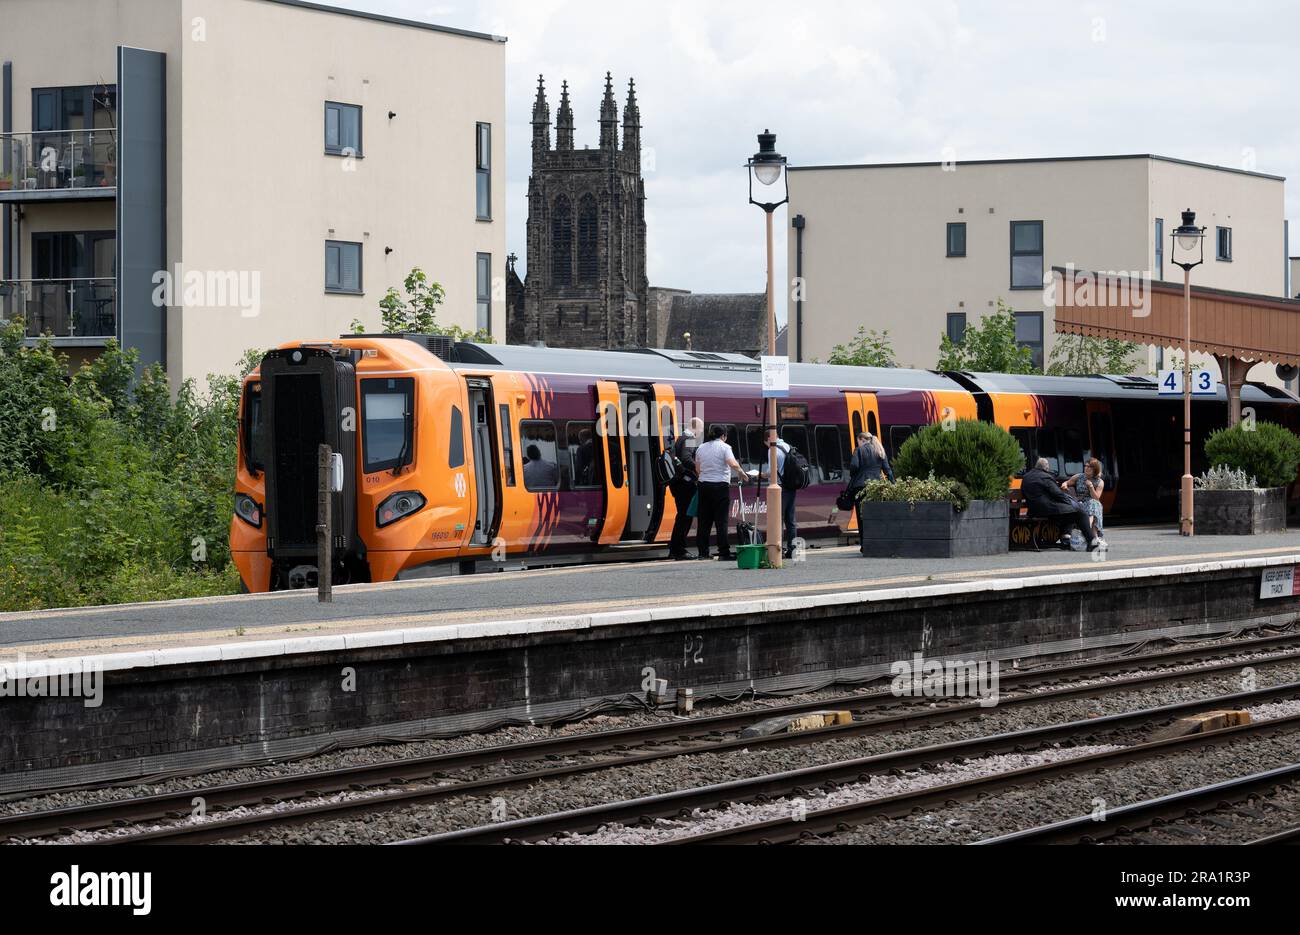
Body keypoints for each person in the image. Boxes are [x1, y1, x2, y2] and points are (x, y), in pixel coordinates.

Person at [1021, 457, 1099, 551]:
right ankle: (1091, 542)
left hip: (1033, 510)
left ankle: (1066, 536)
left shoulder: (1026, 476)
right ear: (1046, 468)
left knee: (1071, 511)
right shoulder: (1045, 477)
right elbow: (1057, 494)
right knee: (1080, 513)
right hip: (1046, 510)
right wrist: (1069, 501)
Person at [694, 423, 743, 560]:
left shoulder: (701, 448)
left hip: (704, 486)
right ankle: (723, 552)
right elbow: (732, 463)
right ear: (723, 436)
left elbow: (697, 469)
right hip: (720, 487)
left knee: (704, 521)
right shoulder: (725, 447)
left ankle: (703, 552)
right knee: (721, 521)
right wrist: (741, 473)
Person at [667, 417, 703, 560]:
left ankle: (674, 549)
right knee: (685, 517)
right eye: (700, 429)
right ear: (695, 427)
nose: (700, 433)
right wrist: (699, 469)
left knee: (681, 516)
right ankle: (679, 550)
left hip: (678, 484)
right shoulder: (690, 439)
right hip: (685, 485)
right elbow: (687, 459)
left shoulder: (680, 438)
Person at [761, 435, 799, 559]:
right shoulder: (787, 446)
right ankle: (792, 550)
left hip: (780, 487)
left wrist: (760, 475)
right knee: (791, 520)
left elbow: (771, 471)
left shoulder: (772, 449)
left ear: (768, 438)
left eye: (765, 442)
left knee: (777, 519)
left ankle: (778, 550)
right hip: (791, 486)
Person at [1062, 457, 1106, 545]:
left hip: (1092, 504)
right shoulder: (1079, 477)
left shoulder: (1099, 482)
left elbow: (1096, 498)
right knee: (1096, 506)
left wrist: (1091, 487)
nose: (1086, 468)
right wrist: (1064, 485)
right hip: (1080, 503)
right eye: (1085, 466)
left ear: (1095, 469)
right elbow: (1067, 482)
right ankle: (1093, 535)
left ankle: (1088, 532)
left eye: (1089, 467)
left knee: (1094, 504)